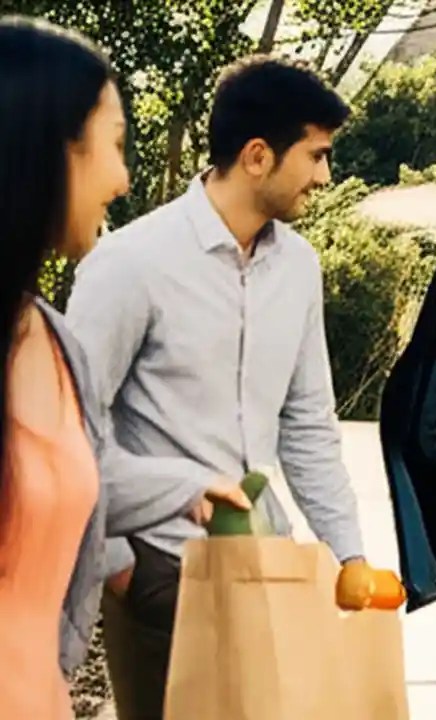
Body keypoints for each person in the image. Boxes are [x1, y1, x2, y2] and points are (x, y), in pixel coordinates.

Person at [64, 55, 377, 720]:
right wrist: (120, 567)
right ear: (258, 156)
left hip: (267, 565)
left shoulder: (299, 268)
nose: (325, 176)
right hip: (158, 570)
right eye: (317, 156)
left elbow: (309, 425)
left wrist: (349, 553)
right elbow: (73, 428)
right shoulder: (130, 265)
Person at [0, 17, 251, 720]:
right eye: (110, 144)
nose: (122, 178)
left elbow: (77, 471)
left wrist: (187, 487)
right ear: (41, 150)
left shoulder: (53, 342)